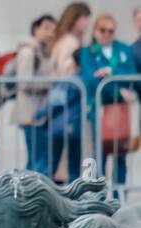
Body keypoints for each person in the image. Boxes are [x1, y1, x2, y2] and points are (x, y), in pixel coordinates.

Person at [80, 13, 139, 200]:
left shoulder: (123, 50)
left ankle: (118, 198)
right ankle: (99, 198)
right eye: (103, 30)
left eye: (111, 31)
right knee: (99, 156)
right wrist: (117, 90)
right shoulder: (87, 52)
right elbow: (91, 81)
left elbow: (131, 75)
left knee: (120, 154)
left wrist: (112, 72)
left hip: (120, 112)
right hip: (99, 110)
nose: (107, 34)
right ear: (95, 31)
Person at [48, 3, 93, 182]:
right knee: (69, 159)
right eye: (85, 19)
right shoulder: (70, 43)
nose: (87, 23)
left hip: (65, 103)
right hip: (69, 103)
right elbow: (67, 73)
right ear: (76, 19)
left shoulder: (64, 41)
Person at [15, 15, 57, 176]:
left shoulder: (42, 51)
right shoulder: (28, 51)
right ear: (35, 29)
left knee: (37, 160)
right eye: (46, 29)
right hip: (31, 114)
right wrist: (50, 83)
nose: (50, 33)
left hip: (39, 114)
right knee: (37, 162)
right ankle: (33, 199)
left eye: (53, 30)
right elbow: (24, 82)